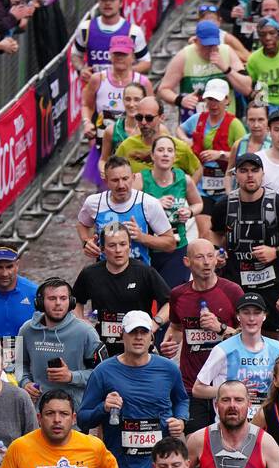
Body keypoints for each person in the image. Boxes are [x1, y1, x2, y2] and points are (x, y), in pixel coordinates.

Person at [77, 316, 190, 468]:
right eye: (133, 333)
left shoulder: (168, 368)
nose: (138, 337)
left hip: (154, 466)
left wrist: (180, 419)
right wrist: (103, 408)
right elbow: (83, 419)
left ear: (152, 337)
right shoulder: (104, 371)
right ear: (122, 336)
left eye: (144, 332)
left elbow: (182, 399)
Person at [209, 153, 279, 339]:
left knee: (269, 335)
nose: (250, 175)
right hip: (235, 281)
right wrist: (217, 252)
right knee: (235, 334)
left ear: (263, 173)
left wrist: (275, 252)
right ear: (236, 175)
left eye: (254, 170)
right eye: (244, 171)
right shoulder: (225, 205)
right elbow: (215, 232)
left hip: (271, 282)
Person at [163, 239, 244, 432]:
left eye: (210, 256)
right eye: (199, 257)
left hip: (226, 384)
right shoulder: (178, 294)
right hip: (192, 385)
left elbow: (249, 338)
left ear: (217, 260)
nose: (206, 262)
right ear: (187, 262)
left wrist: (221, 328)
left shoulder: (232, 291)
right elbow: (175, 328)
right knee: (194, 446)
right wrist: (169, 345)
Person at [72, 223, 171, 358]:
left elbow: (170, 303)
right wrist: (82, 322)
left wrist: (155, 323)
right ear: (102, 248)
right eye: (112, 245)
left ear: (130, 246)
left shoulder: (144, 272)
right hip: (103, 349)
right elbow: (75, 302)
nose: (118, 250)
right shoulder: (90, 274)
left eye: (123, 244)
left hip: (138, 348)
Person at [16, 277, 104, 412]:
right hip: (37, 413)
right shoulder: (26, 330)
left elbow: (101, 374)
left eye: (63, 298)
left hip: (74, 415)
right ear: (40, 302)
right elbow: (19, 366)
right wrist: (25, 383)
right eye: (52, 298)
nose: (58, 303)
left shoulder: (86, 332)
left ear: (71, 302)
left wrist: (71, 376)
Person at [192, 295, 279, 419]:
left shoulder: (276, 348)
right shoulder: (222, 350)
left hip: (266, 421)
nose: (251, 318)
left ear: (264, 316)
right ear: (238, 316)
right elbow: (197, 390)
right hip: (230, 423)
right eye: (246, 313)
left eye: (257, 313)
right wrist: (232, 390)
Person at [76, 157, 176, 270]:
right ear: (106, 181)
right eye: (115, 180)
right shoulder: (94, 202)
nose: (121, 185)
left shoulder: (148, 203)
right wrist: (86, 241)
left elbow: (170, 244)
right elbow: (82, 224)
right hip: (105, 274)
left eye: (125, 179)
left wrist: (142, 237)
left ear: (133, 178)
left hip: (140, 273)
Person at [157, 19, 252, 119]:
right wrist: (180, 100)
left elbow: (246, 88)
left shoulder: (227, 52)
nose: (210, 49)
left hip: (226, 123)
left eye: (214, 45)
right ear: (196, 41)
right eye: (206, 45)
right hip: (194, 124)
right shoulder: (184, 56)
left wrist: (226, 69)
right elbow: (163, 89)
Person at [73, 0, 150, 76]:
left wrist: (125, 72)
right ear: (98, 2)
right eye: (103, 0)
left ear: (121, 3)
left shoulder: (133, 32)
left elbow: (146, 63)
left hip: (124, 88)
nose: (107, 3)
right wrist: (82, 69)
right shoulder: (85, 28)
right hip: (94, 88)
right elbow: (75, 55)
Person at [0, 248, 38, 371]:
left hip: (30, 361)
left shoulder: (35, 293)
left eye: (9, 266)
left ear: (17, 265)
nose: (5, 273)